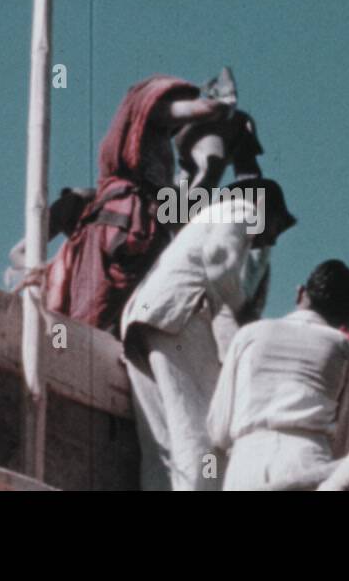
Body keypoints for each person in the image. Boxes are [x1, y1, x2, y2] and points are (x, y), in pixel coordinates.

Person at [120, 178, 296, 490]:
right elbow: (219, 261)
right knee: (200, 437)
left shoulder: (204, 221)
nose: (273, 240)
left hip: (144, 319)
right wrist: (243, 309)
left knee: (162, 447)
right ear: (261, 206)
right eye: (276, 225)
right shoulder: (241, 210)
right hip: (178, 318)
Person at [29, 74, 229, 334]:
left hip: (144, 227)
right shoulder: (152, 111)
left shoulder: (148, 175)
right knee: (94, 314)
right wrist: (223, 99)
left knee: (121, 312)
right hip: (127, 226)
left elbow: (183, 212)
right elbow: (208, 109)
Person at [206, 260, 349, 491]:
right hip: (306, 459)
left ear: (301, 293)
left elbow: (218, 428)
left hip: (246, 461)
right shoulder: (342, 347)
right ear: (347, 319)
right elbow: (346, 439)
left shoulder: (249, 334)